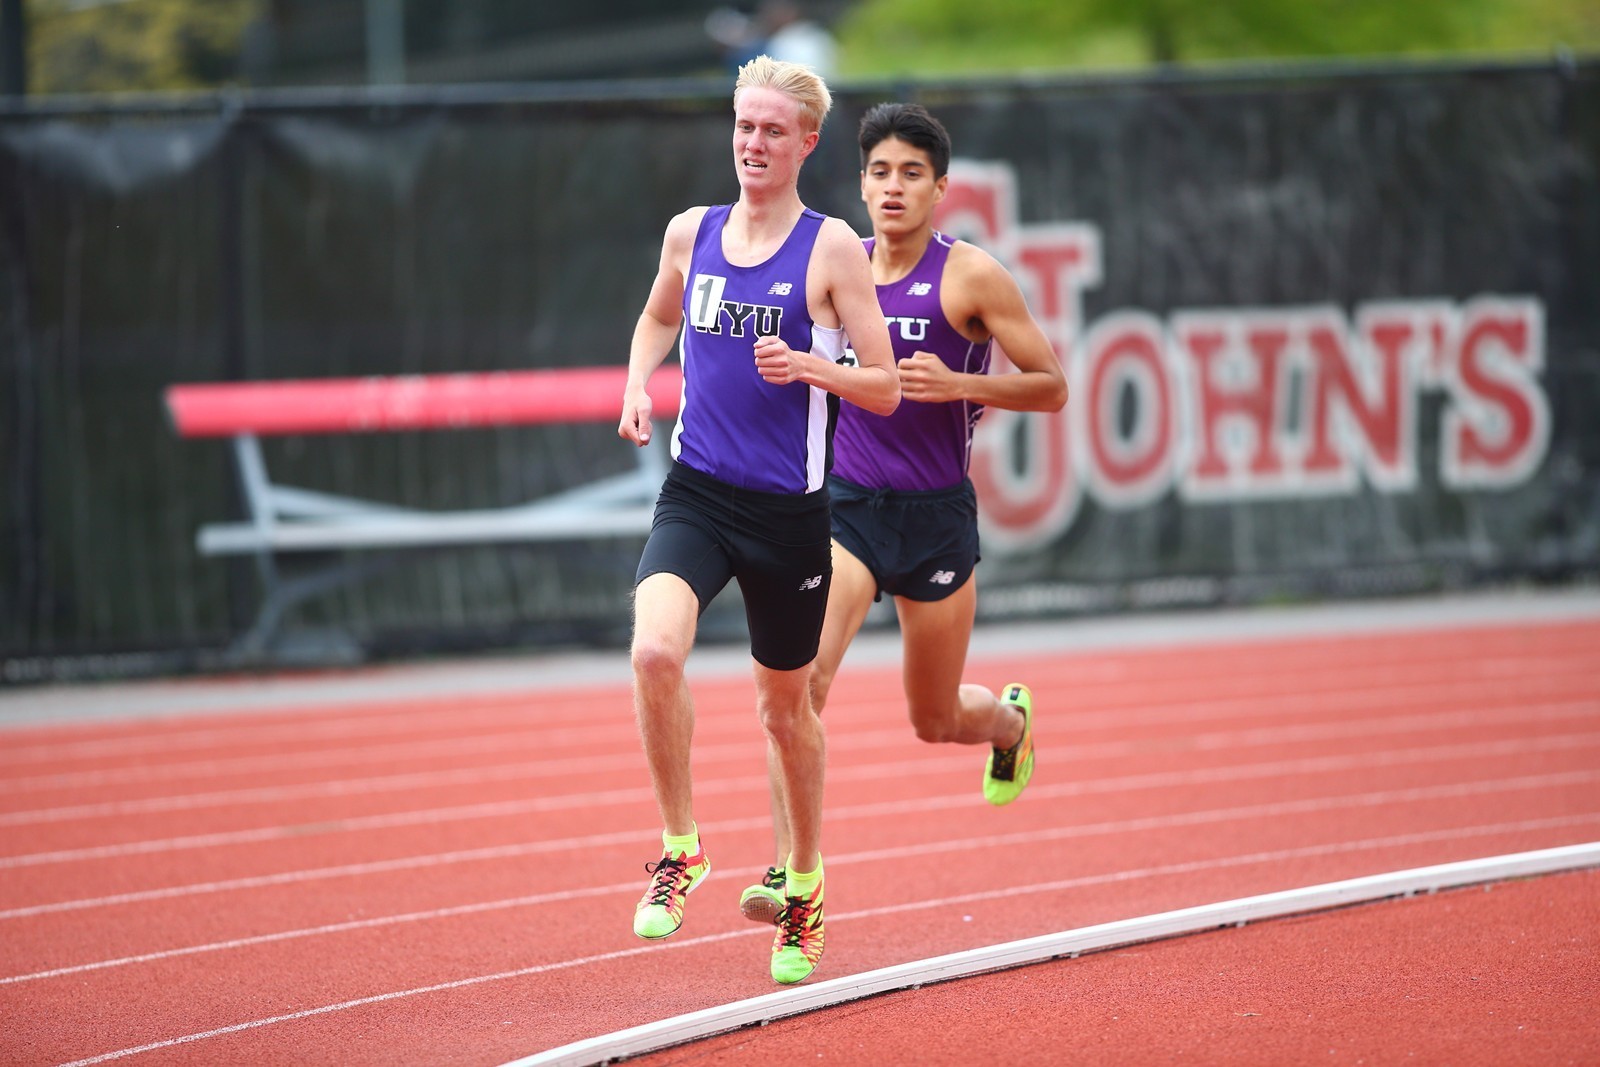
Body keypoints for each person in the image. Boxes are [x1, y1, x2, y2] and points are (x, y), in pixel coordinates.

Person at [739, 102, 1069, 924]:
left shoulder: (972, 276)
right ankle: (791, 870)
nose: (893, 188)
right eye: (880, 172)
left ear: (939, 188)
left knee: (935, 716)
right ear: (859, 182)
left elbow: (1052, 385)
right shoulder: (833, 263)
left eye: (911, 174)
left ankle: (1009, 723)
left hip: (935, 519)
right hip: (845, 509)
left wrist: (960, 383)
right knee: (800, 684)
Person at [617, 56, 899, 985]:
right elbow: (657, 319)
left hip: (787, 516)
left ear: (807, 143)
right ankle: (682, 845)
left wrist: (812, 368)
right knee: (655, 651)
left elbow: (886, 385)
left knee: (786, 714)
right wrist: (636, 386)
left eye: (774, 130)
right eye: (744, 126)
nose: (754, 143)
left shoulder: (832, 250)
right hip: (696, 491)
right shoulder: (689, 232)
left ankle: (807, 887)